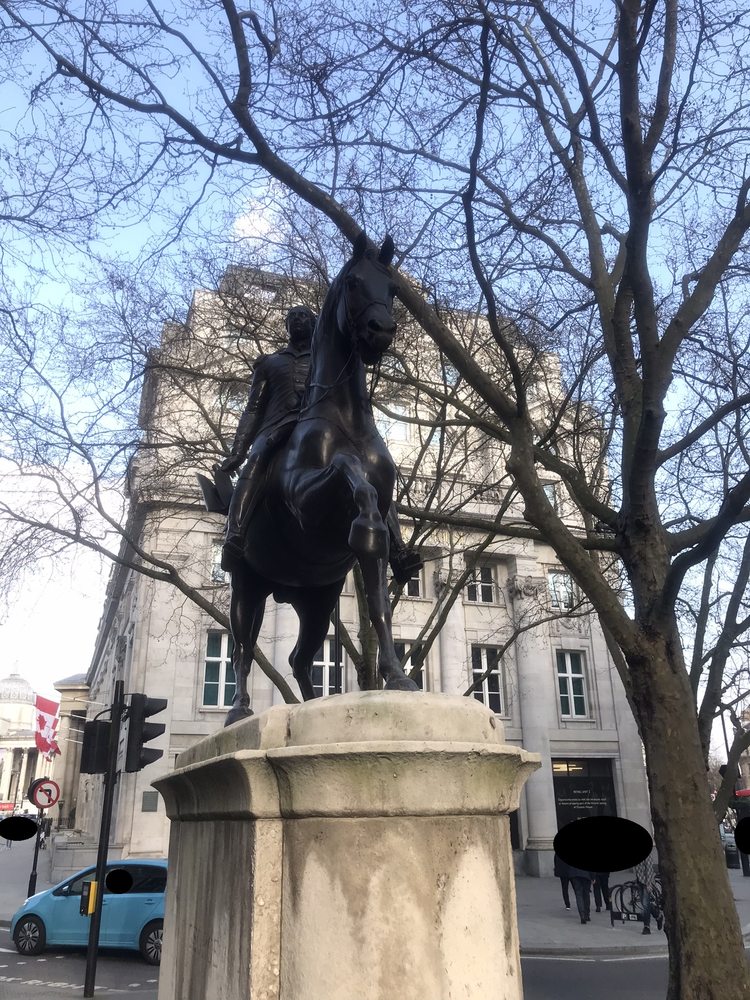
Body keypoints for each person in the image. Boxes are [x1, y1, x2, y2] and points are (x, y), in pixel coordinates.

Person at [219, 305, 423, 583]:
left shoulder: (327, 358)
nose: (297, 320)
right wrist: (237, 450)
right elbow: (253, 409)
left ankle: (398, 550)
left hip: (322, 427)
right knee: (257, 458)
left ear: (315, 323)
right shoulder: (270, 363)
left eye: (303, 316)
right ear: (286, 326)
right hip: (279, 427)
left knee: (374, 476)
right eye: (291, 317)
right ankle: (235, 534)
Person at [634, 856, 663, 934]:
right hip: (639, 882)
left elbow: (649, 870)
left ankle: (646, 927)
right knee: (645, 904)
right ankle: (658, 916)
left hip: (646, 883)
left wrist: (648, 884)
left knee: (646, 905)